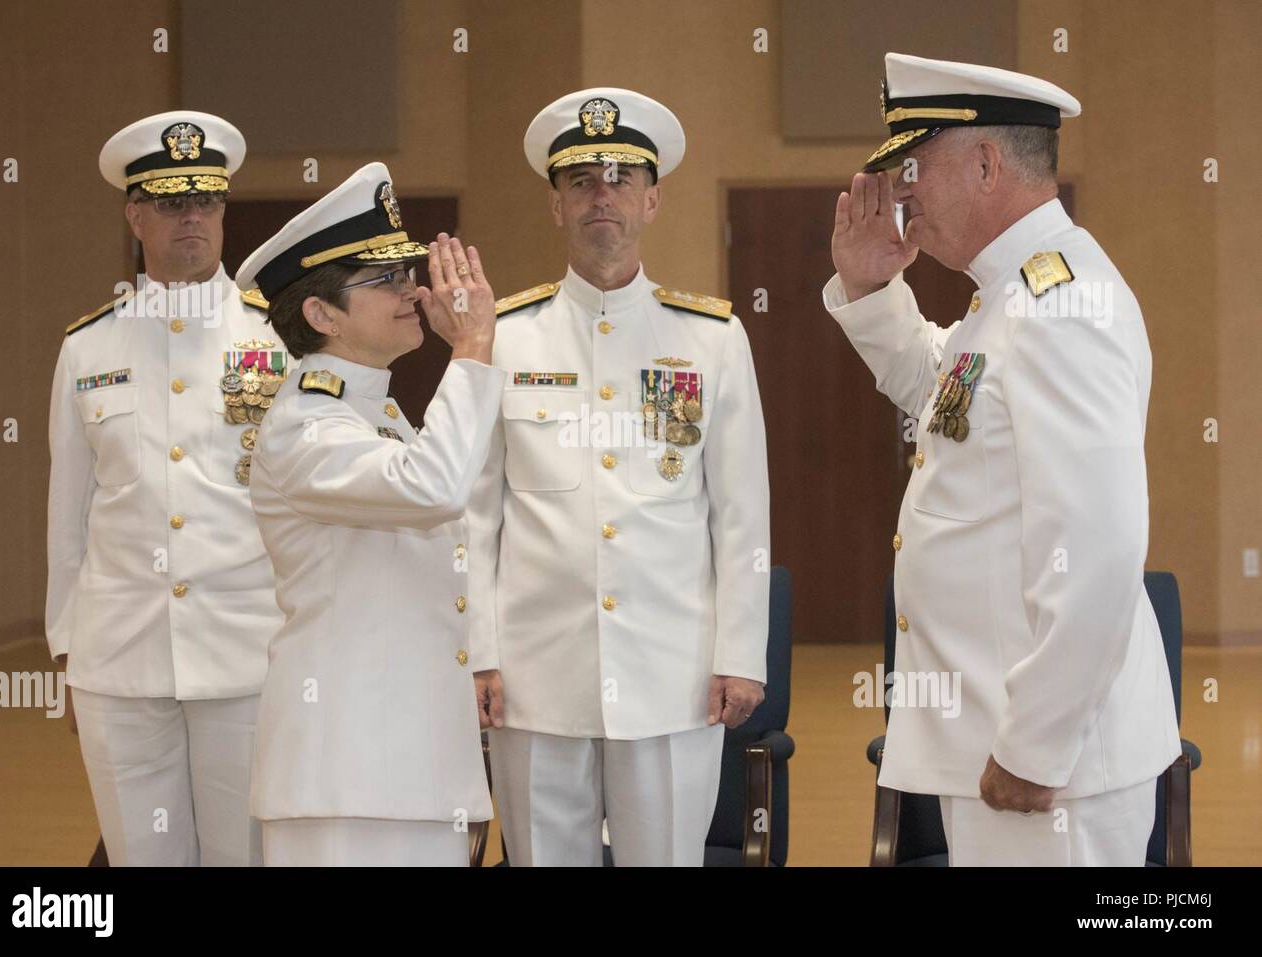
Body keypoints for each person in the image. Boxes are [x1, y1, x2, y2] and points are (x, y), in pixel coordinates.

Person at [824, 53, 1181, 865]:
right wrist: (873, 290)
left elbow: (1100, 548)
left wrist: (1036, 745)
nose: (899, 191)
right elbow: (943, 400)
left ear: (986, 163)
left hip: (1050, 776)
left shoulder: (1059, 308)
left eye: (913, 165)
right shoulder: (1010, 298)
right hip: (1005, 747)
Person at [467, 88, 771, 866]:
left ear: (653, 198)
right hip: (537, 677)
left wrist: (741, 649)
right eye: (581, 181)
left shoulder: (711, 338)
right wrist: (479, 650)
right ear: (556, 205)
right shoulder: (504, 337)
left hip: (670, 675)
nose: (602, 195)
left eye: (620, 178)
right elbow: (475, 513)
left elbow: (741, 513)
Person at [235, 162, 503, 866]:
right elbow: (436, 486)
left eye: (404, 272)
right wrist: (472, 348)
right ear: (322, 315)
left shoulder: (375, 411)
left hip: (405, 766)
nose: (412, 289)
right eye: (383, 280)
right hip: (346, 774)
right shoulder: (305, 424)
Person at [47, 111, 289, 866]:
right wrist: (65, 650)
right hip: (121, 661)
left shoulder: (280, 337)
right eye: (172, 200)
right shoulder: (88, 347)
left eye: (207, 200)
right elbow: (69, 512)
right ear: (136, 214)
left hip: (247, 656)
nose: (193, 217)